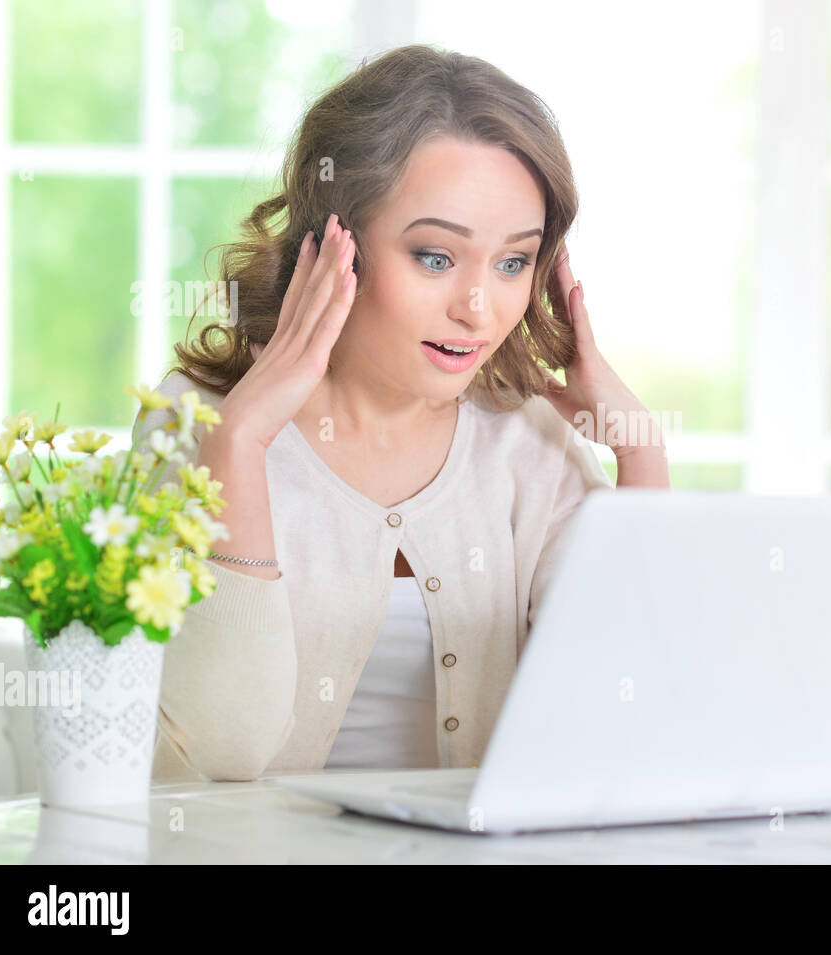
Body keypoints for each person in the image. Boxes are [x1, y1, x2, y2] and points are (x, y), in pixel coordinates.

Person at [132, 44, 669, 783]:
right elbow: (221, 751)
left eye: (513, 262)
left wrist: (642, 455)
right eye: (436, 257)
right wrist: (242, 442)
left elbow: (627, 711)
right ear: (335, 245)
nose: (478, 309)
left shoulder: (527, 445)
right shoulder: (194, 426)